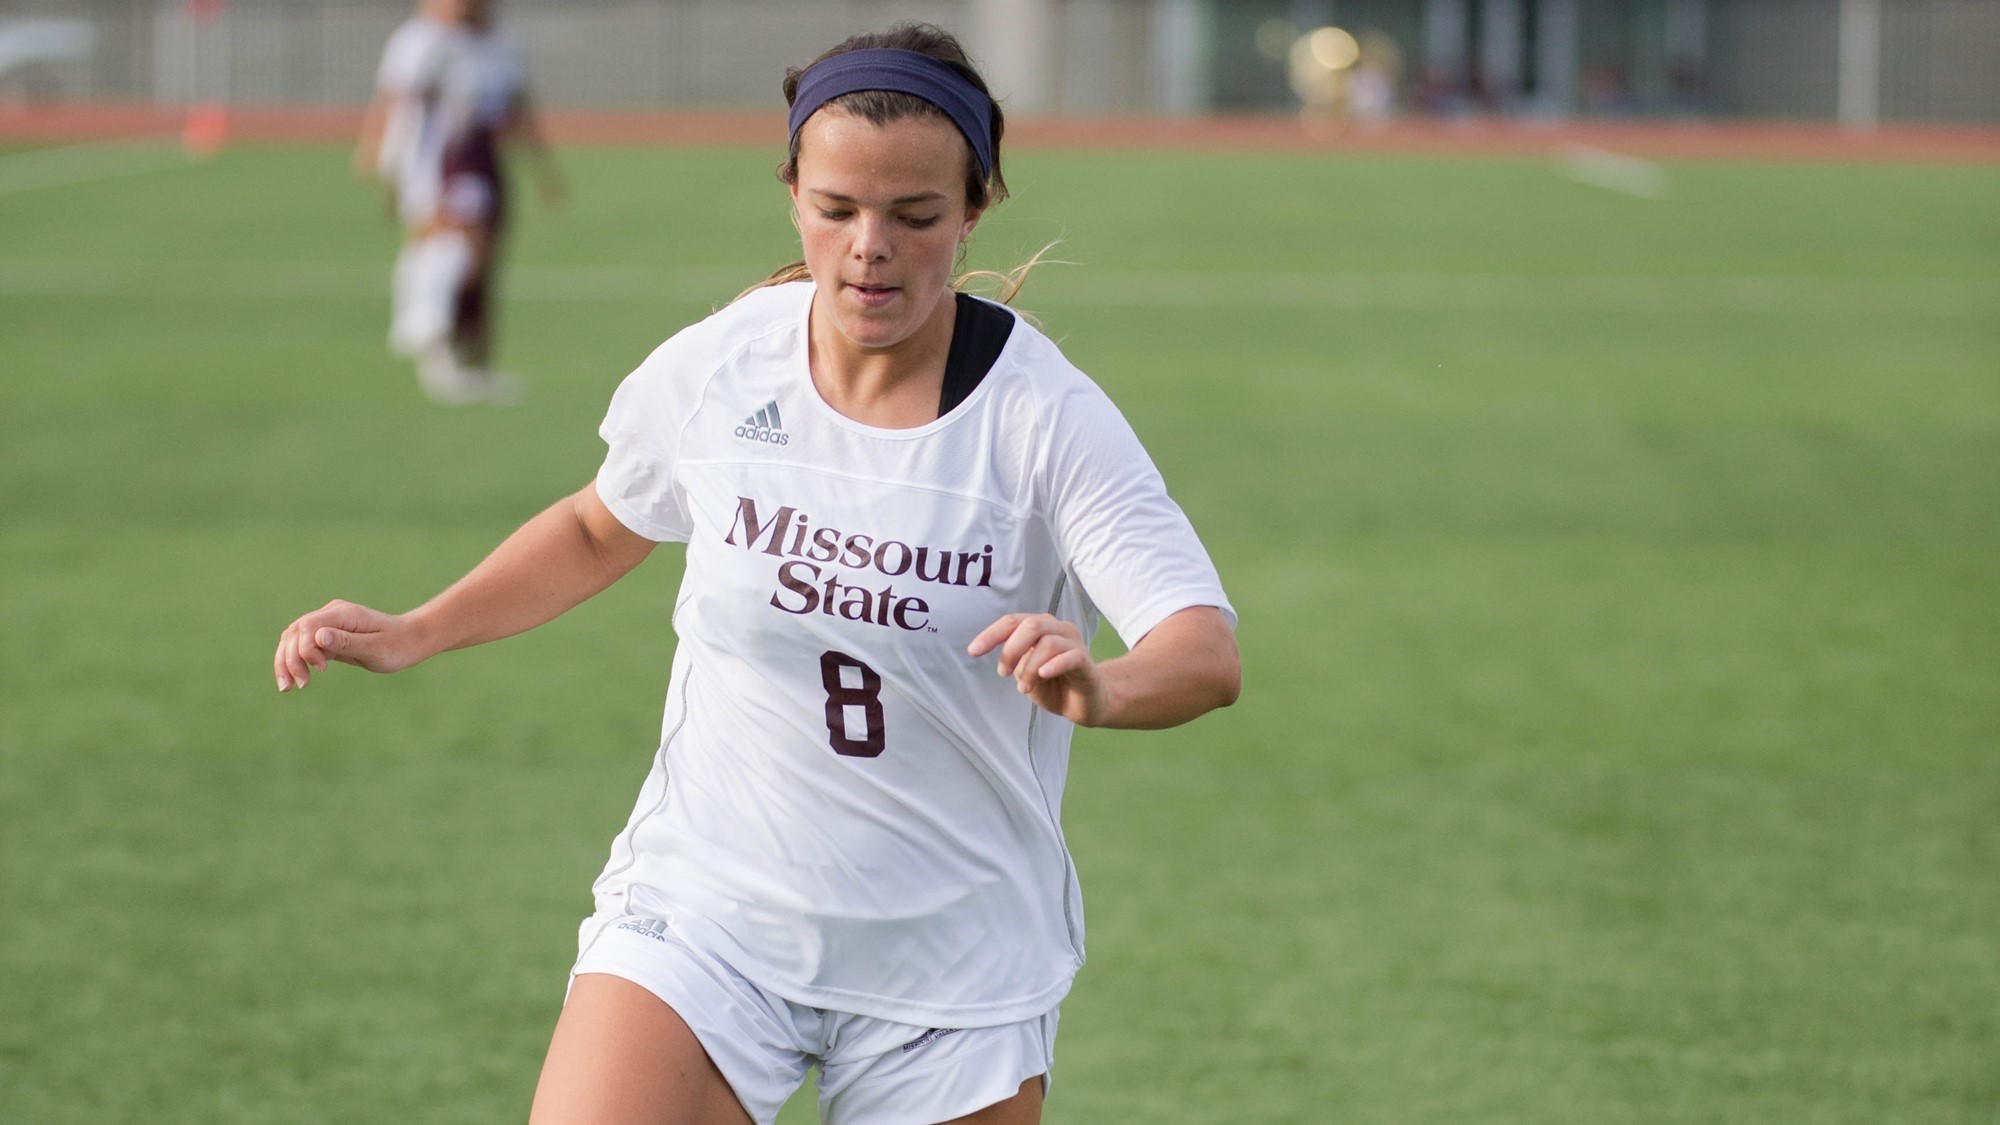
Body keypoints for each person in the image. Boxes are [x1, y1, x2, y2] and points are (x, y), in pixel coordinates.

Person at [277, 22, 1238, 1125]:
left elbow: (1202, 653)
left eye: (913, 216)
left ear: (974, 207)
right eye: (835, 209)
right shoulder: (723, 365)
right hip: (708, 918)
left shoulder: (1046, 422)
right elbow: (604, 526)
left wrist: (1100, 688)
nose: (868, 246)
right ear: (791, 194)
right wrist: (419, 629)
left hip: (953, 963)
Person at [353, 0, 563, 405]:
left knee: (481, 256)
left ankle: (471, 358)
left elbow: (517, 108)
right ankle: (431, 340)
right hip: (442, 163)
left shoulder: (498, 44)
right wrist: (383, 160)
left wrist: (542, 169)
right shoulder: (421, 42)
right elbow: (398, 104)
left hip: (483, 160)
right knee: (457, 244)